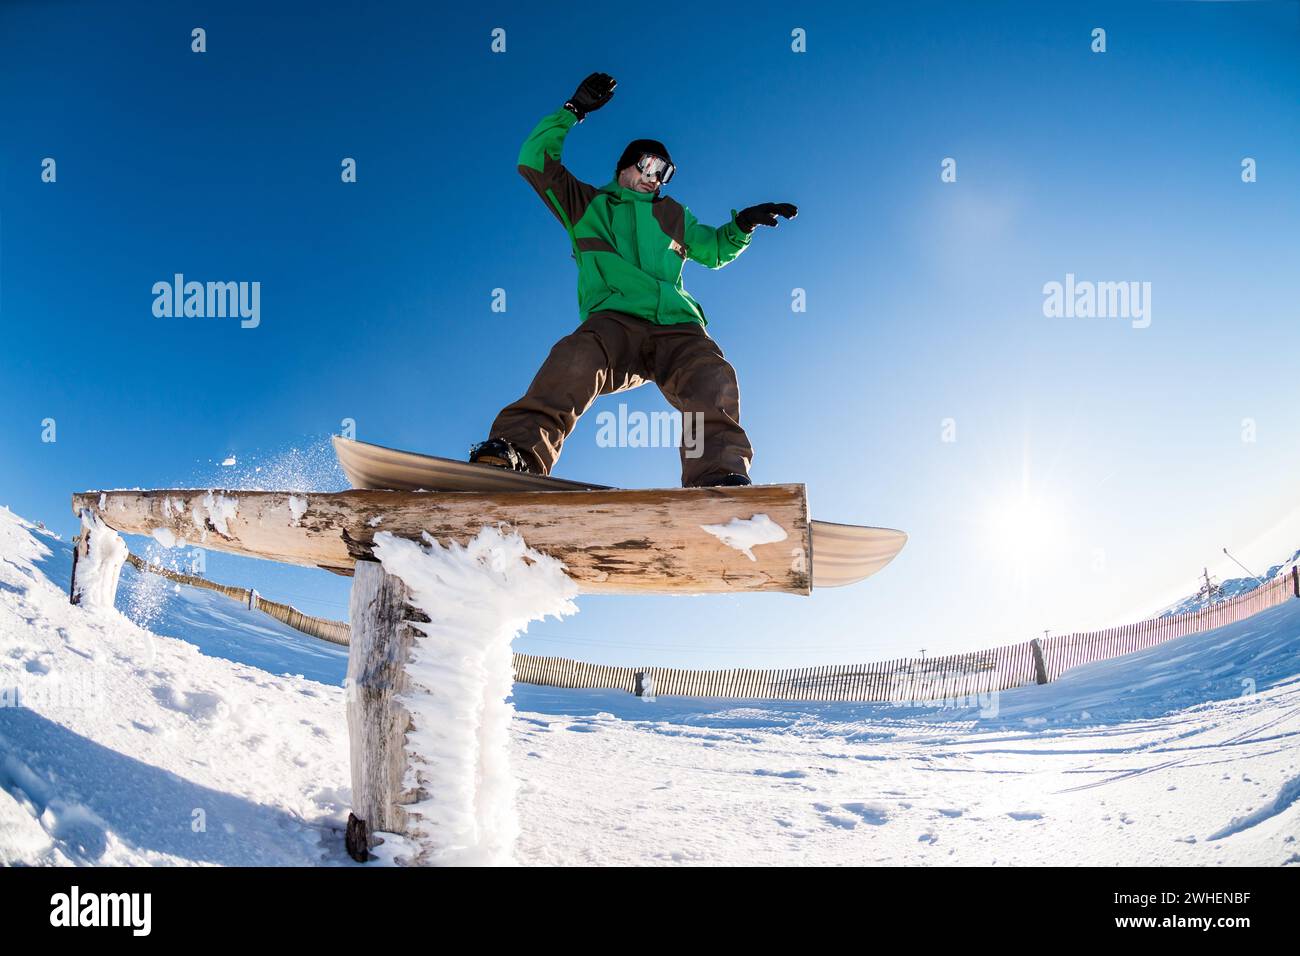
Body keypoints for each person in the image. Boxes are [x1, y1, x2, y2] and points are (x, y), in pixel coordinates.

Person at [471, 72, 798, 487]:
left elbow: (713, 251)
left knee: (711, 378)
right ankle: (516, 452)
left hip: (677, 329)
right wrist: (572, 112)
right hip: (614, 325)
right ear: (625, 166)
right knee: (574, 358)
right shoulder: (587, 205)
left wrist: (742, 227)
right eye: (648, 165)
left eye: (665, 172)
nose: (655, 177)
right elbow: (533, 160)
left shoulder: (673, 214)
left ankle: (717, 476)